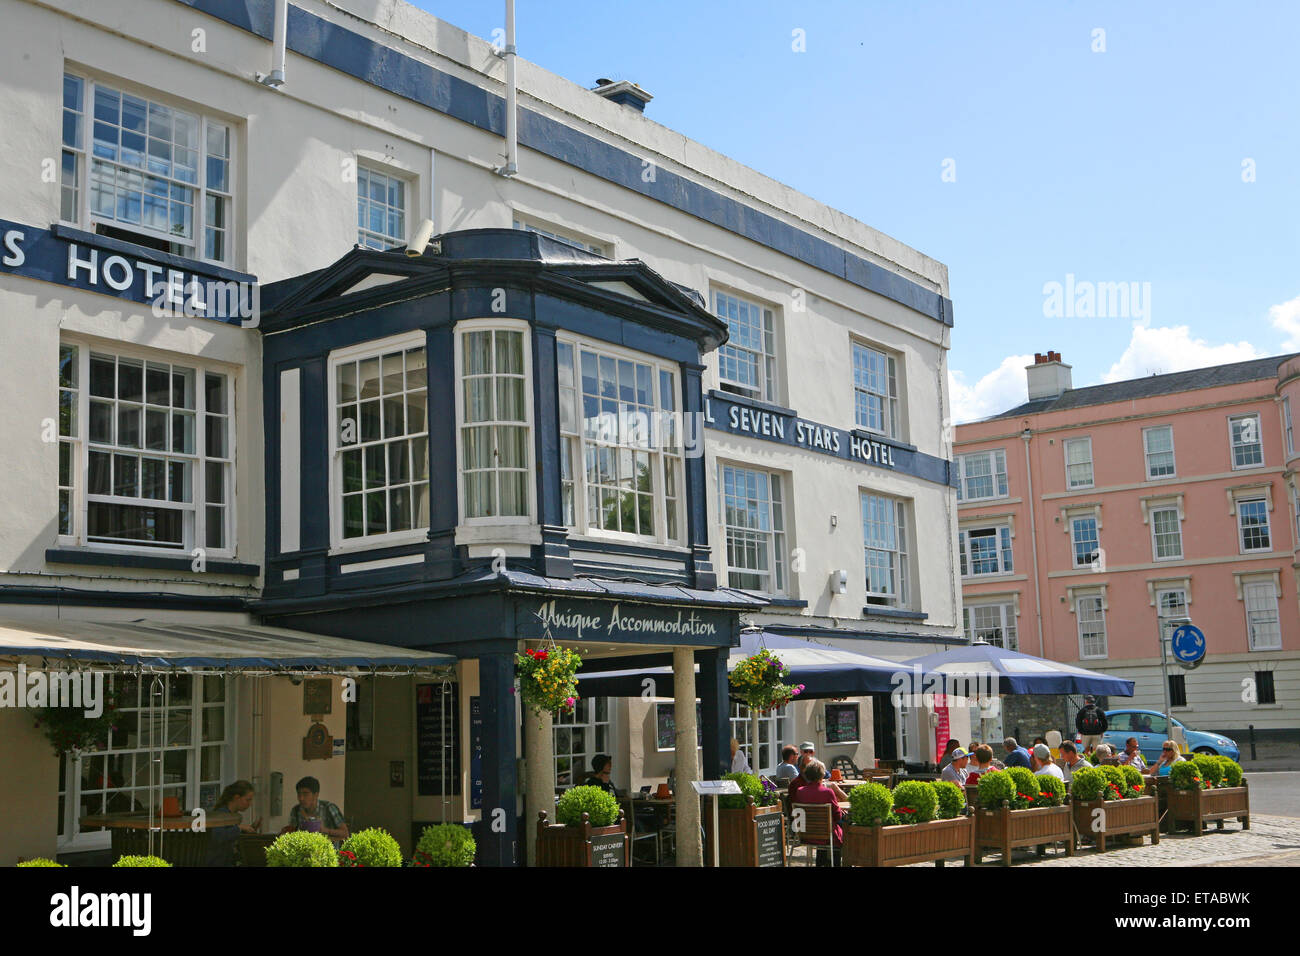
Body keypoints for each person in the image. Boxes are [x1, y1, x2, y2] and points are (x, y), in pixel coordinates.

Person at [788, 759, 843, 866]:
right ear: (822, 775)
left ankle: (820, 863)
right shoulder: (828, 792)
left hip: (805, 834)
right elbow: (837, 816)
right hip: (826, 836)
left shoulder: (800, 791)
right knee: (842, 826)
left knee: (824, 828)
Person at [205, 780, 259, 867]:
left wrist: (247, 830)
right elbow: (218, 836)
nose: (250, 804)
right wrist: (239, 828)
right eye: (248, 800)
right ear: (236, 798)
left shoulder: (231, 815)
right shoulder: (221, 814)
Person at [284, 776, 349, 842]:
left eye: (305, 794)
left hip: (329, 846)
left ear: (316, 795)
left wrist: (325, 830)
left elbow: (345, 833)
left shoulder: (329, 808)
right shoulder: (296, 810)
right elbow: (292, 832)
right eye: (299, 794)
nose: (301, 798)